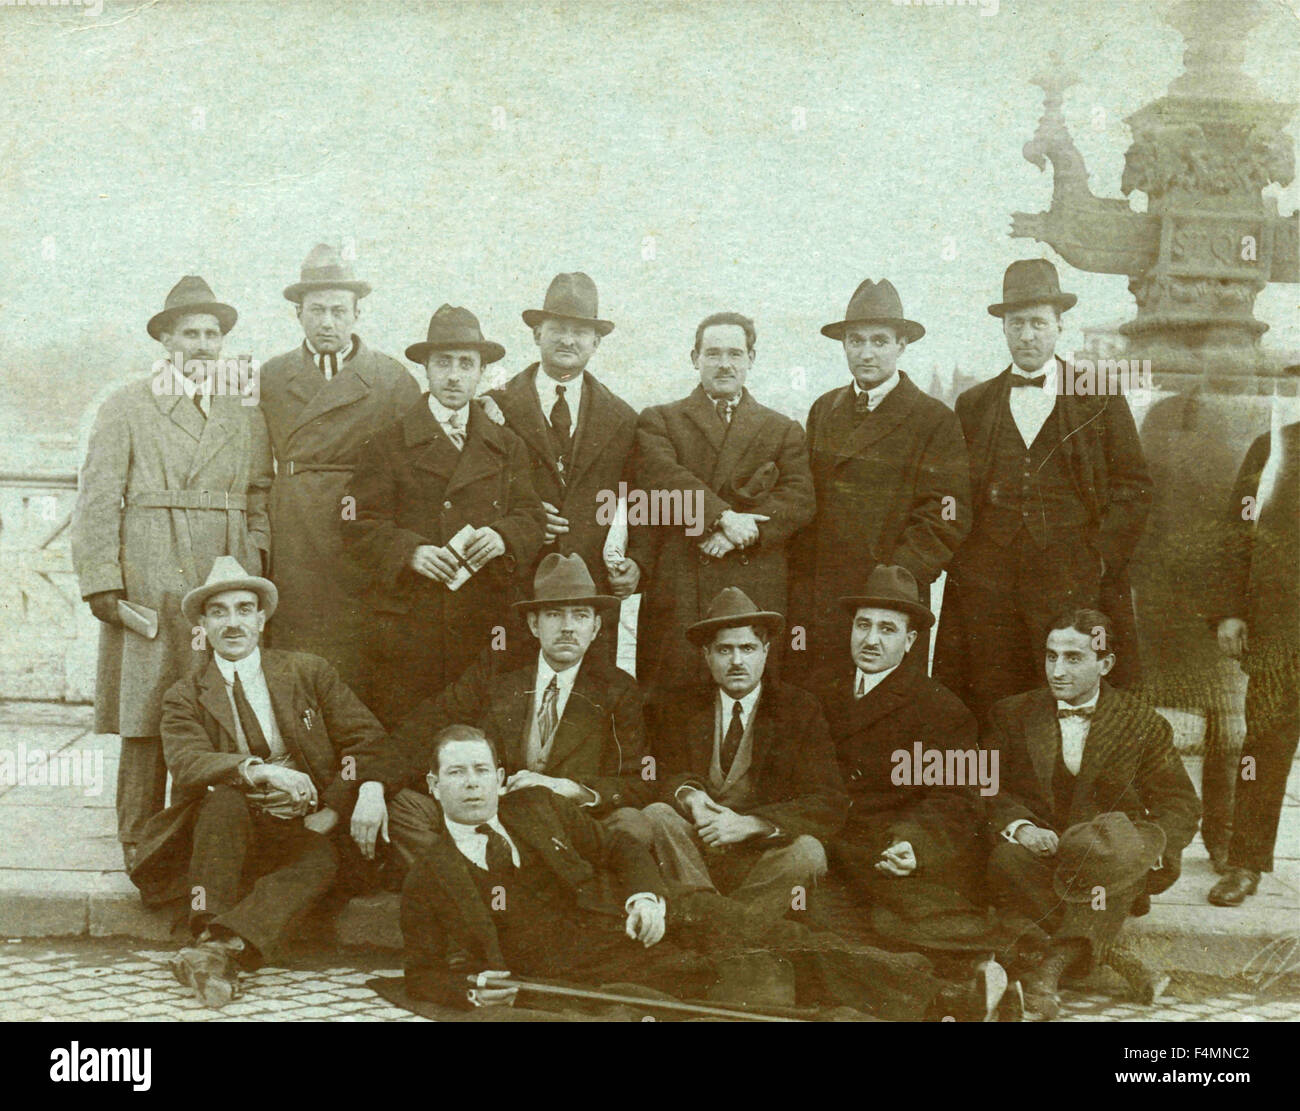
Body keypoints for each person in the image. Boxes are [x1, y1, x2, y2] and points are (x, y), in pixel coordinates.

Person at [400, 725, 965, 1020]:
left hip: (657, 916)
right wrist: (469, 988)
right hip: (590, 966)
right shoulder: (430, 875)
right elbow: (421, 972)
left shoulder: (537, 808)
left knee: (779, 934)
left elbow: (619, 846)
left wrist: (647, 896)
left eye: (481, 770)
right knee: (749, 984)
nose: (471, 784)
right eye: (456, 773)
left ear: (501, 776)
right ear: (434, 785)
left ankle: (946, 995)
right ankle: (917, 1011)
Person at [71, 276, 273, 868]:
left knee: (212, 702)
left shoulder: (244, 413)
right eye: (191, 332)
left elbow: (259, 492)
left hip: (223, 571)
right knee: (145, 706)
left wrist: (253, 555)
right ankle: (137, 839)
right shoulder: (128, 404)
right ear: (166, 339)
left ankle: (192, 834)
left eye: (214, 334)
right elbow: (98, 496)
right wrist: (103, 580)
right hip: (151, 569)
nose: (205, 345)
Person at [125, 558, 390, 1007]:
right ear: (204, 625)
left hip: (307, 826)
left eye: (244, 609)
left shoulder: (308, 672)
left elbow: (369, 740)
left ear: (261, 619)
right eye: (220, 612)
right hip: (229, 833)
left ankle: (211, 948)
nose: (233, 622)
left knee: (323, 863)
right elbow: (187, 762)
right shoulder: (184, 694)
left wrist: (343, 802)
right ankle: (224, 944)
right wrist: (259, 769)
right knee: (222, 802)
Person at [933, 259, 1153, 724]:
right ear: (1004, 330)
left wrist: (1099, 557)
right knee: (991, 696)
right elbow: (951, 492)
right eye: (1017, 324)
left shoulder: (1100, 395)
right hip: (988, 586)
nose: (1028, 335)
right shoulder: (975, 405)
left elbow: (1133, 487)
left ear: (1059, 325)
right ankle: (995, 795)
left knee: (1070, 699)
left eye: (1038, 323)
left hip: (1073, 581)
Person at [353, 553, 654, 871]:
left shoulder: (618, 689)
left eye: (580, 616)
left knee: (633, 824)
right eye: (554, 614)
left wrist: (571, 789)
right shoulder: (498, 670)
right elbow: (427, 725)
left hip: (567, 830)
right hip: (492, 820)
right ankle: (474, 881)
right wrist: (373, 785)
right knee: (403, 807)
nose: (567, 627)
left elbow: (637, 783)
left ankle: (485, 885)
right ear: (534, 624)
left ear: (595, 627)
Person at [983, 608, 1200, 1020]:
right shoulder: (1011, 714)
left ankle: (1049, 968)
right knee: (1005, 860)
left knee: (1112, 861)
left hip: (1105, 860)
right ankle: (1110, 955)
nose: (1057, 670)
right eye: (1051, 656)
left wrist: (1149, 846)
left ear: (1105, 663)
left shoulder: (1143, 724)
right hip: (1040, 855)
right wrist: (1021, 827)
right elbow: (988, 787)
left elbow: (1180, 803)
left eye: (1073, 658)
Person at [342, 305, 546, 727]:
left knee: (477, 734)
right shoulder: (388, 443)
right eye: (443, 363)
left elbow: (531, 515)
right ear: (426, 369)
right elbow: (356, 522)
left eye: (466, 364)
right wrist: (410, 552)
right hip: (411, 626)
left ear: (481, 373)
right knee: (412, 734)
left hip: (483, 620)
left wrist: (504, 536)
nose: (454, 376)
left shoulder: (507, 445)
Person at [806, 565, 1007, 994]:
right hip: (829, 846)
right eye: (863, 625)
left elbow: (958, 799)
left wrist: (915, 843)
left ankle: (966, 972)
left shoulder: (941, 709)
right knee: (812, 919)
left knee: (879, 922)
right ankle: (957, 983)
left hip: (893, 853)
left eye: (887, 629)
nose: (871, 640)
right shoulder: (820, 694)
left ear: (910, 641)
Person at [257, 244, 421, 689]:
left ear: (357, 314)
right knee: (298, 646)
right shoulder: (271, 377)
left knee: (357, 654)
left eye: (338, 310)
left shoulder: (392, 378)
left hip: (361, 529)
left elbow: (419, 458)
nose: (327, 322)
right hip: (295, 531)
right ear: (298, 314)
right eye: (316, 310)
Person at [791, 280, 969, 673]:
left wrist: (893, 583)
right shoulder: (824, 409)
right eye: (855, 341)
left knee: (888, 710)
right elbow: (805, 501)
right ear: (844, 345)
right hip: (823, 597)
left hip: (889, 603)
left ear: (901, 345)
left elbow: (946, 514)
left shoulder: (934, 419)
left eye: (879, 341)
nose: (866, 353)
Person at [637, 587, 847, 919]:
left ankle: (711, 921)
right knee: (656, 814)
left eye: (747, 648)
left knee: (809, 853)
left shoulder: (798, 708)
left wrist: (753, 824)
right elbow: (660, 772)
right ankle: (725, 919)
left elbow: (827, 800)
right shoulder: (680, 704)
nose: (737, 661)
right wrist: (691, 797)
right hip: (694, 851)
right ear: (707, 655)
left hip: (759, 856)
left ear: (766, 651)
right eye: (724, 650)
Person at [634, 312, 814, 691]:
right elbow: (660, 478)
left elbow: (799, 498)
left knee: (754, 702)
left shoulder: (782, 429)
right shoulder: (661, 420)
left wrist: (737, 533)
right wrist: (721, 517)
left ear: (751, 359)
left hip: (756, 589)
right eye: (713, 353)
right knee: (674, 701)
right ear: (694, 358)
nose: (724, 364)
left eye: (735, 353)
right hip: (683, 585)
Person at [487, 273, 645, 664]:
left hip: (588, 597)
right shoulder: (495, 407)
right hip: (514, 587)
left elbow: (640, 500)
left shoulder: (623, 418)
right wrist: (520, 519)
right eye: (557, 328)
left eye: (580, 331)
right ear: (537, 333)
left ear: (596, 342)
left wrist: (638, 561)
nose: (567, 340)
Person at [1207, 367, 1300, 907]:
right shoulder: (1274, 451)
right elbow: (1235, 533)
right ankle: (1245, 863)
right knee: (1262, 748)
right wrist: (1229, 612)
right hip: (1280, 629)